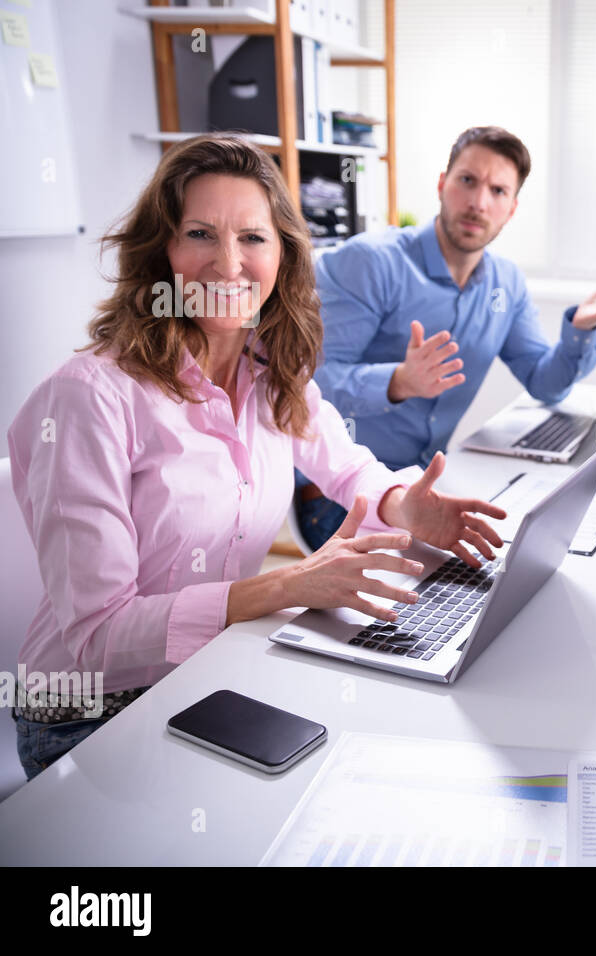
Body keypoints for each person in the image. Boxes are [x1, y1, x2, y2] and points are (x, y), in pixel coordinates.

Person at [6, 135, 506, 779]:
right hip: (85, 717)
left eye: (252, 238)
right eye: (200, 234)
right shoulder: (88, 399)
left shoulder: (271, 370)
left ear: (283, 257)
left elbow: (347, 466)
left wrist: (402, 506)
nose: (228, 264)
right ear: (163, 251)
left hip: (210, 674)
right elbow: (99, 639)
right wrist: (285, 587)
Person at [297, 125, 596, 549]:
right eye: (467, 181)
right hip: (345, 502)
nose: (479, 202)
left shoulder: (505, 283)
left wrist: (582, 328)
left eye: (498, 191)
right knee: (476, 583)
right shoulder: (371, 263)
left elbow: (545, 382)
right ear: (442, 184)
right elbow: (307, 385)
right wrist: (398, 382)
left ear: (512, 208)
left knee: (528, 557)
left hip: (425, 494)